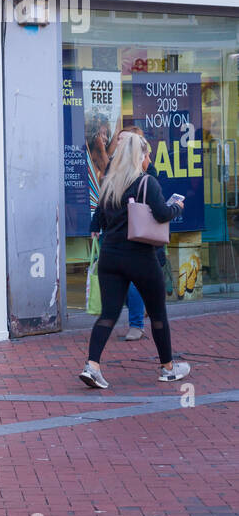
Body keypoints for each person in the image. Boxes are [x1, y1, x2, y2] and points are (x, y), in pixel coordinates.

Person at [80, 132, 191, 389]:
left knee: (108, 314)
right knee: (158, 313)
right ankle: (168, 368)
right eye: (146, 154)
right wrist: (178, 207)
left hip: (110, 256)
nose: (148, 158)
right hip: (140, 256)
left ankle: (92, 366)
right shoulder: (146, 183)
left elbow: (101, 219)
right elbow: (162, 214)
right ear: (139, 156)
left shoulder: (109, 183)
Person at [110, 127, 163, 342]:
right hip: (120, 235)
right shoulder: (113, 170)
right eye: (118, 139)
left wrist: (175, 209)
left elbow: (158, 209)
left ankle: (137, 324)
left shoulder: (148, 173)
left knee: (134, 282)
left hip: (140, 237)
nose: (118, 142)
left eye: (123, 139)